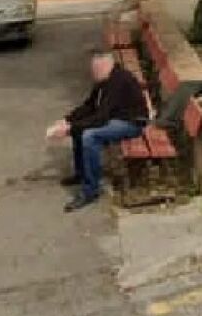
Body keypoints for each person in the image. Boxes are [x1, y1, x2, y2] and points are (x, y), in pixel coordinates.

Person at [46, 49, 149, 211]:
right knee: (81, 128)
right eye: (93, 69)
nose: (93, 73)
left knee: (89, 135)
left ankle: (91, 190)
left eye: (96, 70)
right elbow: (89, 106)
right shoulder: (104, 80)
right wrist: (68, 120)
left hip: (131, 123)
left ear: (107, 66)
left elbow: (101, 117)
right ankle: (82, 173)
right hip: (115, 119)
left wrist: (70, 128)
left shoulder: (118, 81)